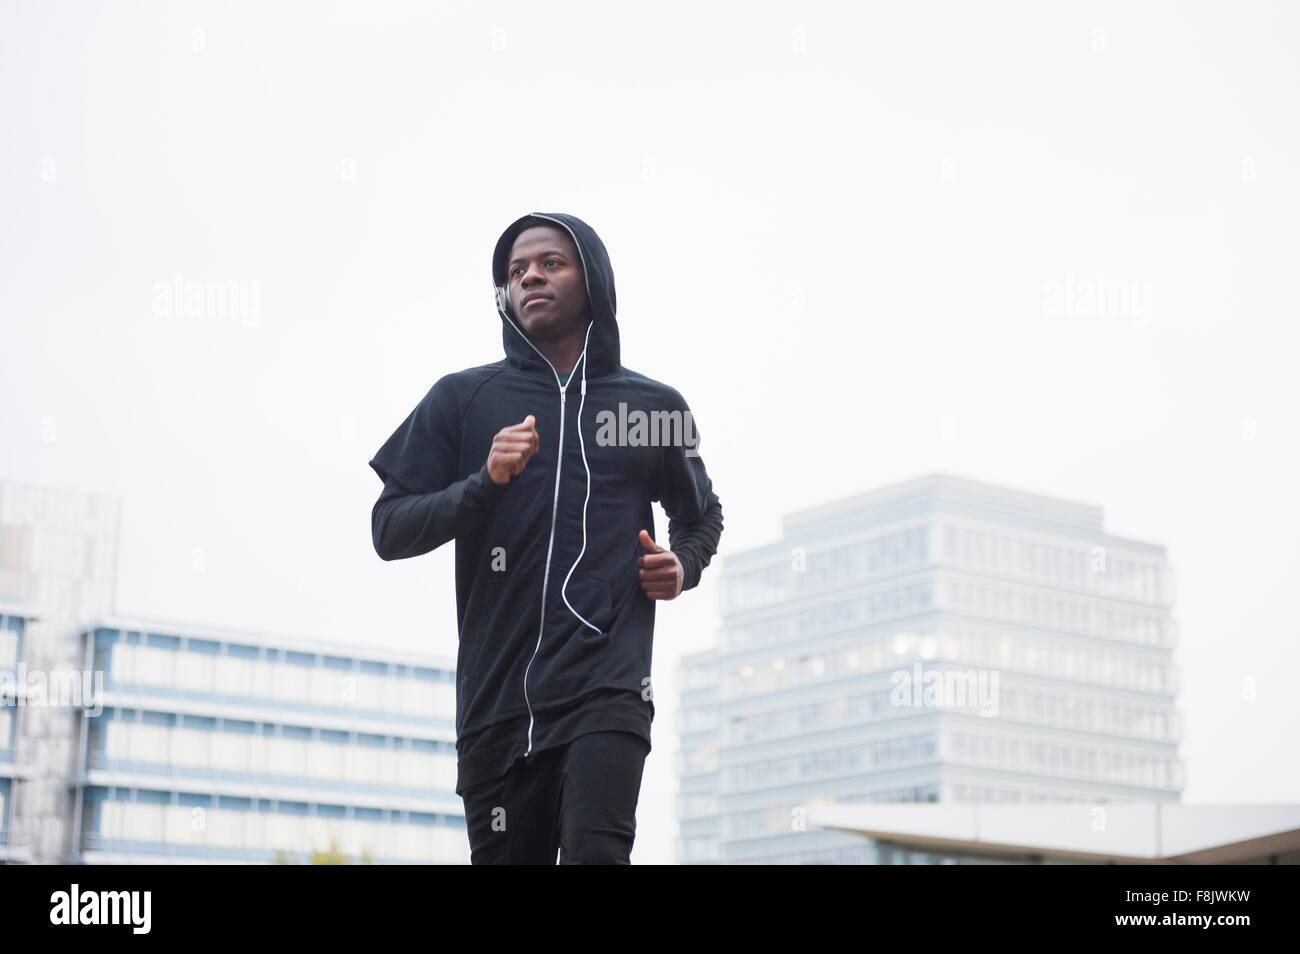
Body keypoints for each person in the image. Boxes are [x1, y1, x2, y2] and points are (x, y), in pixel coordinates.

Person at [368, 211, 724, 864]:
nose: (529, 276)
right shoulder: (464, 401)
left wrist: (683, 565)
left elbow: (701, 515)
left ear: (593, 281)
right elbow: (389, 529)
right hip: (494, 707)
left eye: (550, 263)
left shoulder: (648, 410)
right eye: (514, 271)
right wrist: (485, 482)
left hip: (607, 692)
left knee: (598, 854)